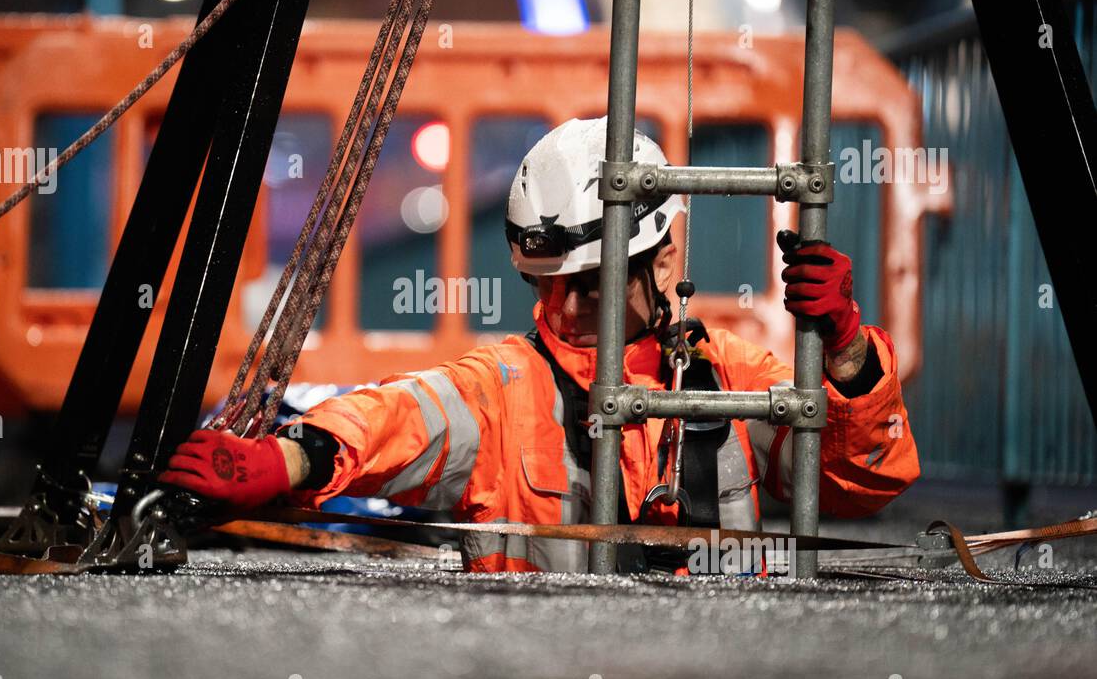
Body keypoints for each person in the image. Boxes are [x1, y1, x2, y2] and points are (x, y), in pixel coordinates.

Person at [160, 116, 920, 572]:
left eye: (587, 286)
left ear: (662, 262)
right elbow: (393, 418)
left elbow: (865, 484)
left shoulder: (732, 378)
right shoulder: (502, 387)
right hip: (545, 676)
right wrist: (287, 457)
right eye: (547, 287)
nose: (563, 308)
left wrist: (848, 354)